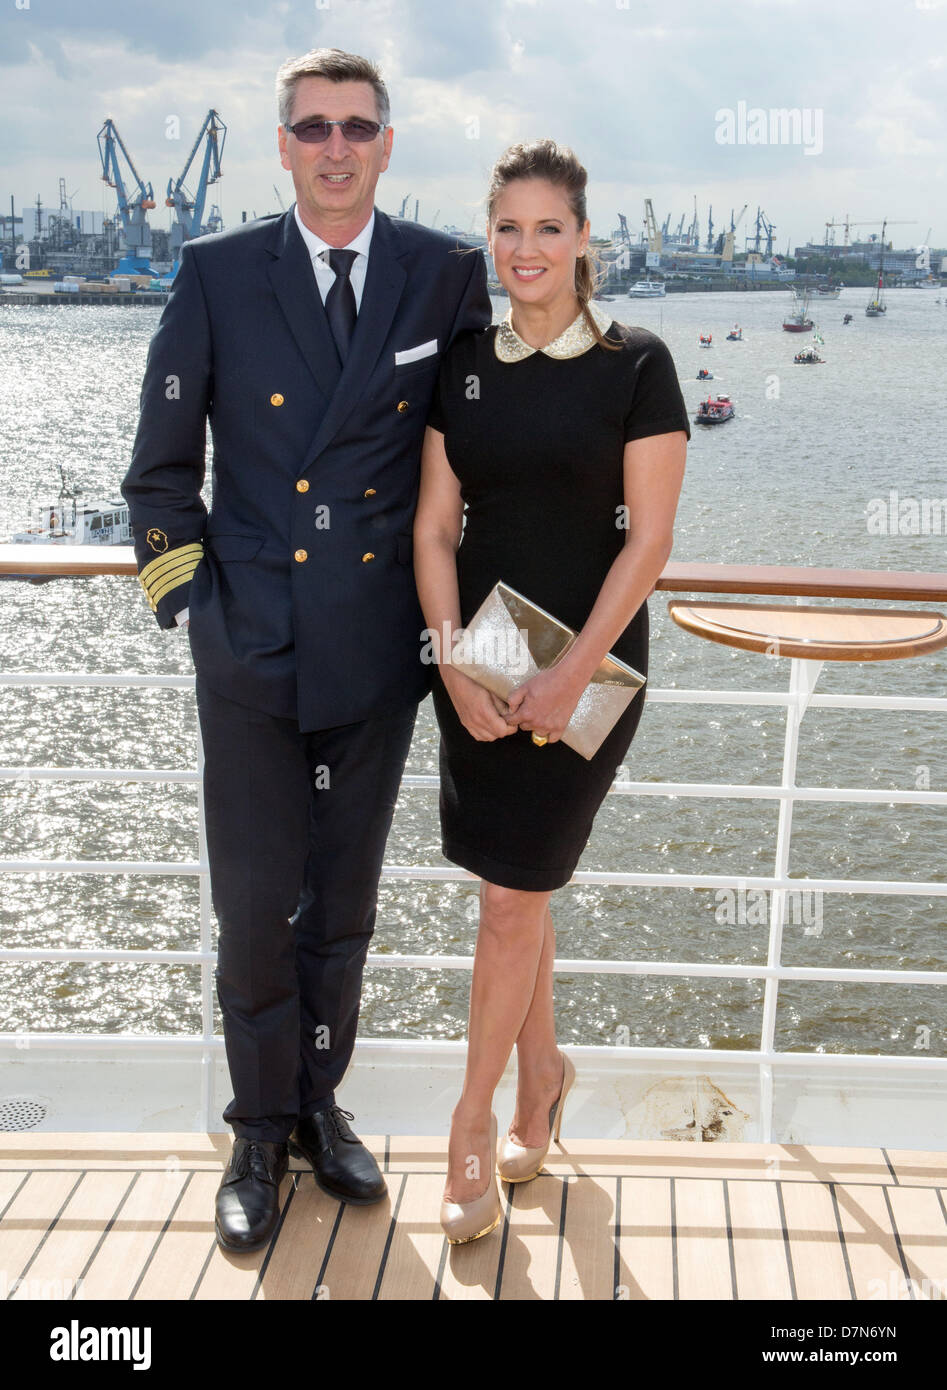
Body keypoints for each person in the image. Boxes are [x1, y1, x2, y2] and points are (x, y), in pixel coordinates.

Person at [121, 47, 491, 1253]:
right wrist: (198, 612)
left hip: (376, 657)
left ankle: (319, 1109)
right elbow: (160, 474)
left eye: (358, 127)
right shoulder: (217, 274)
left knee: (342, 910)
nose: (336, 147)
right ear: (282, 146)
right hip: (253, 659)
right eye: (314, 128)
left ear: (388, 145)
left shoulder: (445, 275)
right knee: (250, 909)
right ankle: (253, 1127)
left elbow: (478, 463)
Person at [413, 140, 689, 1245]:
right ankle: (540, 1081)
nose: (525, 249)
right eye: (507, 227)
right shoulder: (462, 361)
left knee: (508, 900)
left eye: (547, 227)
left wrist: (567, 669)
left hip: (587, 679)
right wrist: (447, 656)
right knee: (515, 891)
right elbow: (434, 526)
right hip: (476, 664)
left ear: (582, 238)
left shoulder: (637, 363)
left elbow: (649, 541)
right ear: (491, 237)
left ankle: (468, 1124)